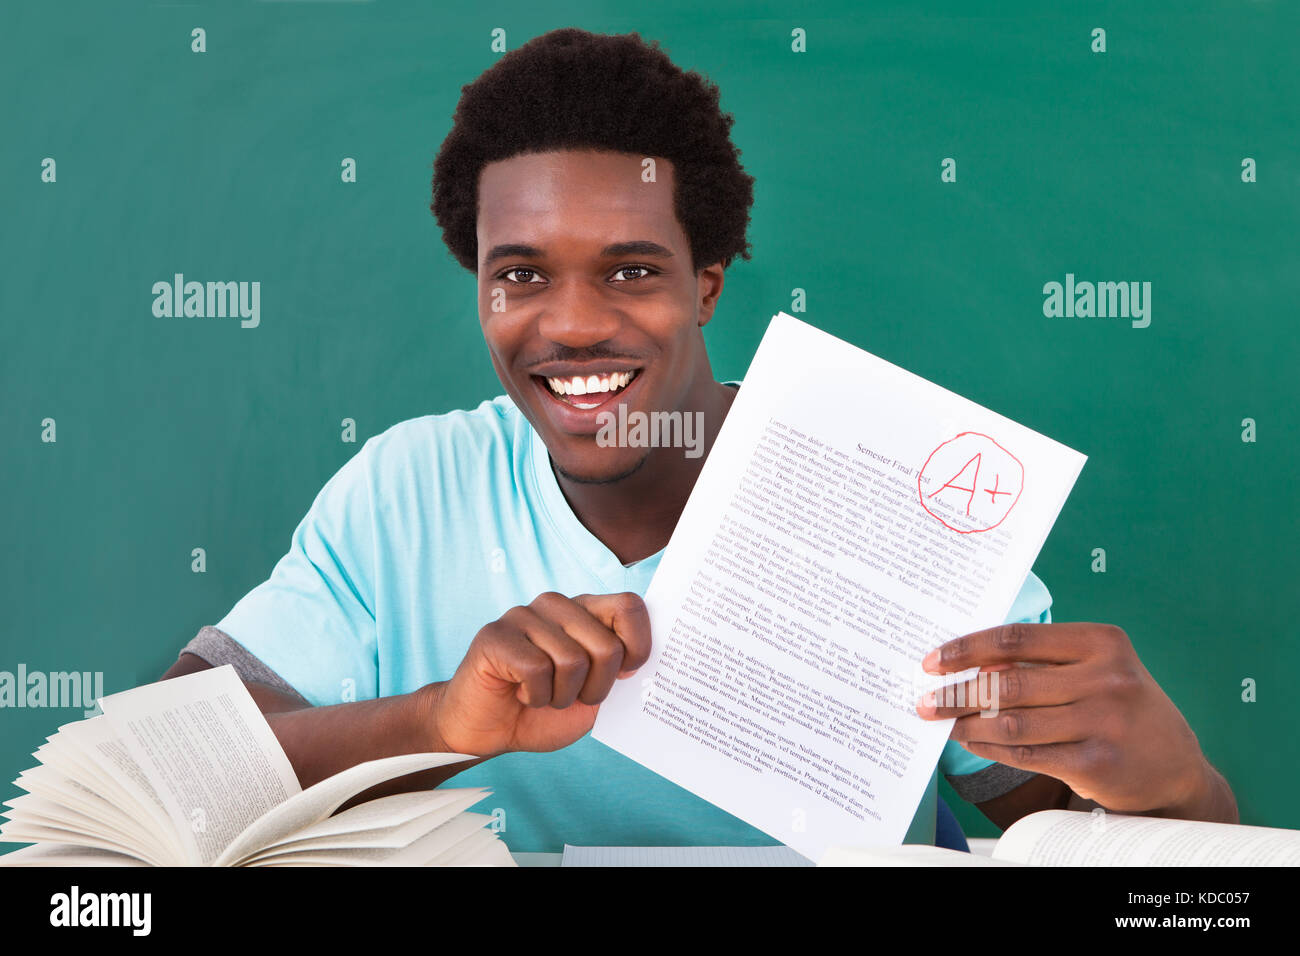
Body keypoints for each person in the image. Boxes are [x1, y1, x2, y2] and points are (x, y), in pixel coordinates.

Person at [162, 28, 1236, 853]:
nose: (573, 322)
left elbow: (1108, 851)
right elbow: (166, 768)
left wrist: (1178, 785)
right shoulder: (408, 486)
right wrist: (442, 718)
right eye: (521, 274)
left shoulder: (898, 500)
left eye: (630, 269)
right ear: (480, 291)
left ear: (705, 283)